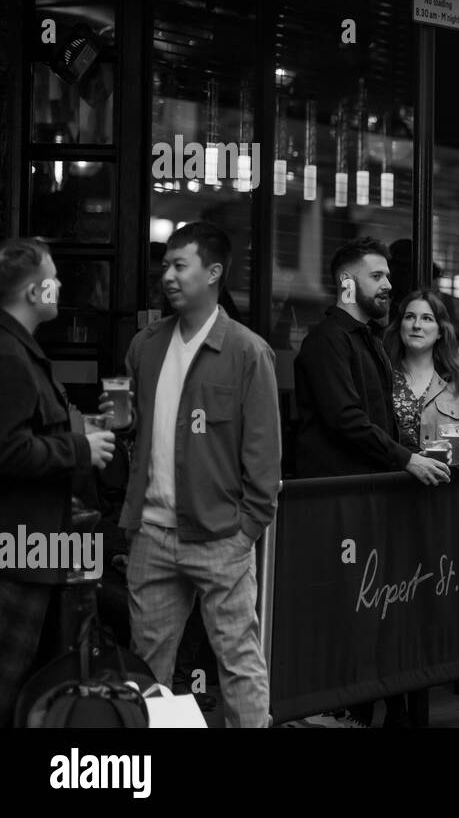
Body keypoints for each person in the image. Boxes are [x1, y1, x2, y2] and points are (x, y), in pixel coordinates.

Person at [116, 222, 280, 728]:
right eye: (164, 265)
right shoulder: (145, 346)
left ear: (213, 273)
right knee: (148, 670)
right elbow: (138, 433)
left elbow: (264, 454)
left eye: (178, 265)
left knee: (238, 664)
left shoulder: (248, 351)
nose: (167, 275)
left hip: (222, 535)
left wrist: (247, 529)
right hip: (153, 531)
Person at [294, 237, 450, 728]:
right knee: (344, 607)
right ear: (346, 283)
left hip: (370, 495)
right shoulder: (326, 341)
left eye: (387, 276)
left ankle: (369, 708)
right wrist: (407, 460)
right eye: (376, 276)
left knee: (372, 608)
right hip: (337, 498)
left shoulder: (369, 340)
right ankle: (338, 707)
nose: (388, 285)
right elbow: (346, 418)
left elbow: (379, 419)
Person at [0, 238, 114, 727]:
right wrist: (81, 448)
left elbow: (30, 429)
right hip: (18, 552)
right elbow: (9, 451)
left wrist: (79, 429)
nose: (61, 285)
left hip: (36, 549)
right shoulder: (8, 354)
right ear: (32, 290)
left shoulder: (18, 349)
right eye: (53, 276)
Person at [386, 290, 459, 471]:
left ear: (440, 332)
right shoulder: (383, 374)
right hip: (391, 486)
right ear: (400, 325)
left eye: (427, 318)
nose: (416, 325)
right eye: (409, 317)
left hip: (443, 488)